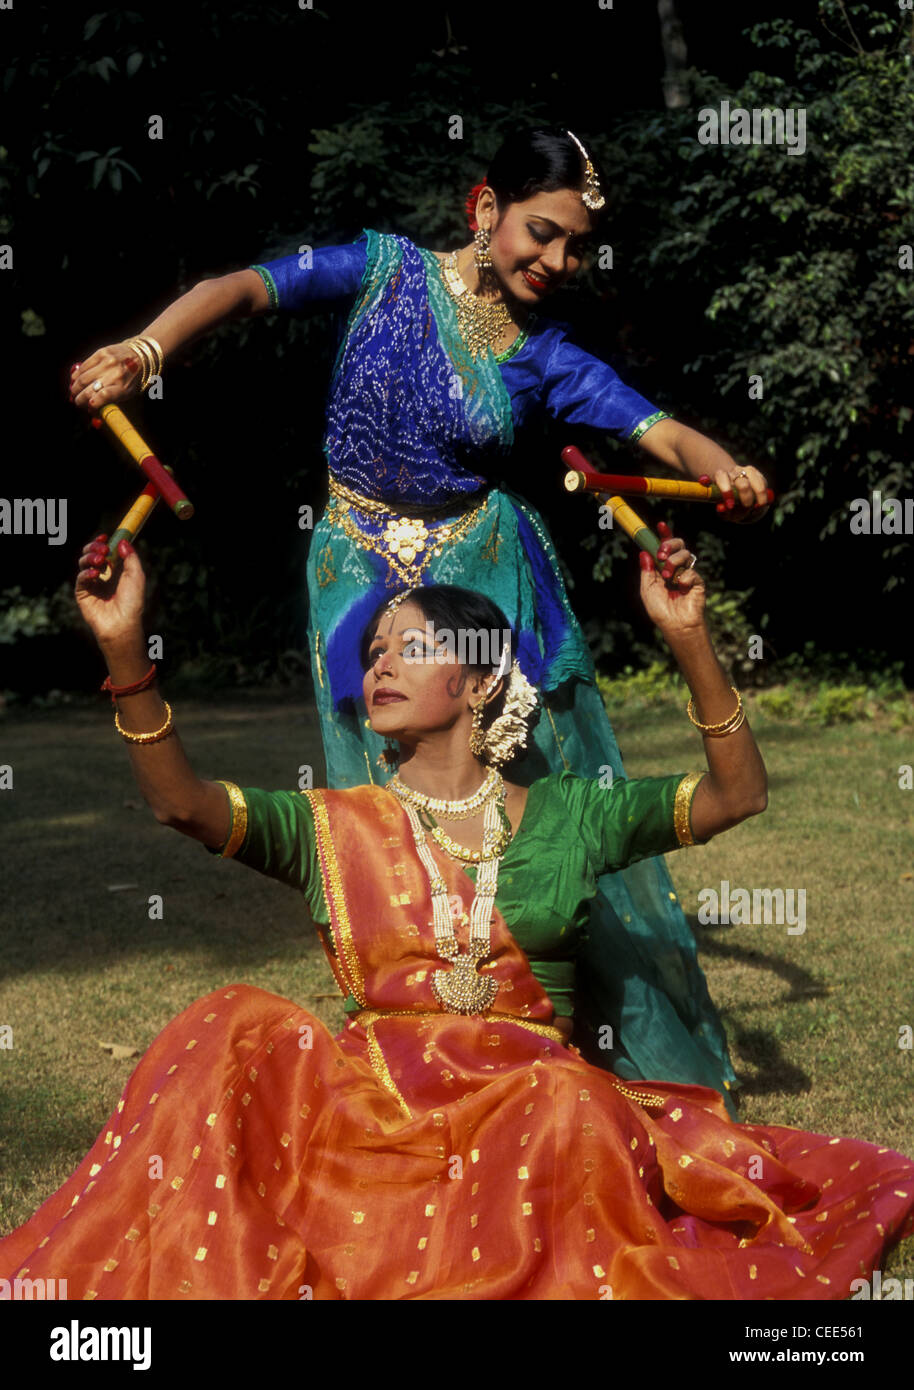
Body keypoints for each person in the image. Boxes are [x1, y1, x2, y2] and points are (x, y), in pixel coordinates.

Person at [1, 533, 911, 1301]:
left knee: (564, 1103)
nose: (381, 663)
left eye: (409, 646)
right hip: (376, 1105)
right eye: (373, 654)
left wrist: (691, 641)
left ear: (475, 683)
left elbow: (739, 793)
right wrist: (126, 654)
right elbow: (184, 806)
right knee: (230, 1022)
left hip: (530, 1102)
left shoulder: (572, 816)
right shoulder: (334, 825)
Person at [66, 127, 773, 1104]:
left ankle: (588, 1058)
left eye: (573, 245)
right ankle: (409, 1058)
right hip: (353, 574)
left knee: (531, 798)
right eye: (540, 232)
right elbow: (241, 288)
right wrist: (146, 349)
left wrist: (721, 470)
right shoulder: (383, 271)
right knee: (380, 812)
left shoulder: (540, 353)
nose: (556, 261)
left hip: (485, 578)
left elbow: (653, 428)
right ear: (483, 210)